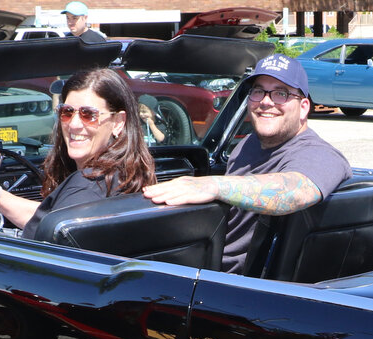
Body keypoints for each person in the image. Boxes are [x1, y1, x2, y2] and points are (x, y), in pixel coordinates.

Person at [143, 53, 352, 274]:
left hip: (233, 281)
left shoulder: (318, 153)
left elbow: (295, 191)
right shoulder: (249, 144)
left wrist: (213, 186)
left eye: (281, 93)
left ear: (303, 107)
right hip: (202, 260)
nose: (265, 102)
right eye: (258, 91)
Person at [0, 68, 154, 239]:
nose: (74, 125)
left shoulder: (88, 184)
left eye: (89, 115)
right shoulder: (124, 175)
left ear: (118, 123)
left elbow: (44, 248)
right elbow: (52, 219)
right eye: (67, 112)